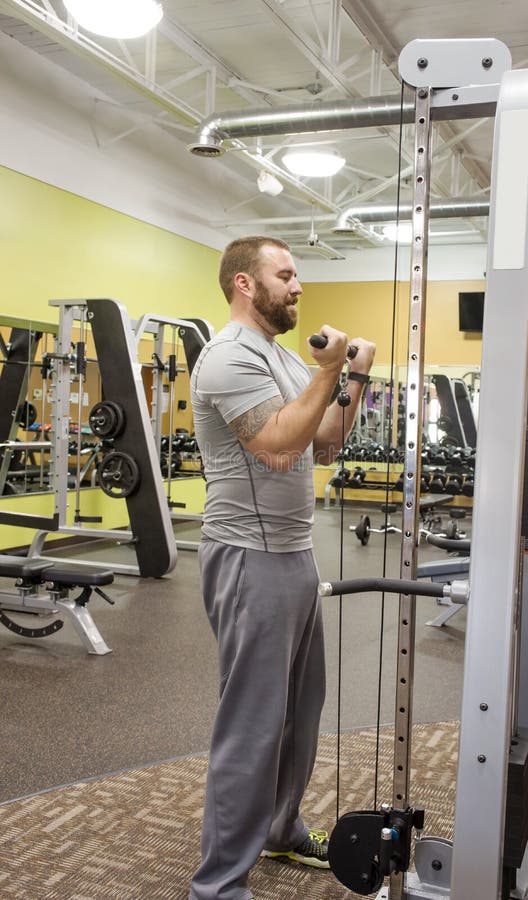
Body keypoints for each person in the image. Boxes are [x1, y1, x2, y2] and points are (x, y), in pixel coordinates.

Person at [189, 235, 376, 900]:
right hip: (248, 556)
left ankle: (278, 827)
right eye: (286, 274)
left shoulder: (280, 356)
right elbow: (275, 448)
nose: (297, 286)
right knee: (253, 724)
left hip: (294, 553)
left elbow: (323, 443)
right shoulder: (228, 357)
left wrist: (355, 376)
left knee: (299, 711)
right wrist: (329, 371)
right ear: (245, 283)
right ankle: (218, 886)